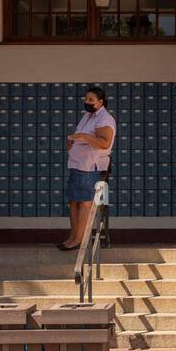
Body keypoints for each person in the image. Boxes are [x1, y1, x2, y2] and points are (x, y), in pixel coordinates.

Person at [58, 86, 115, 250]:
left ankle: (80, 240)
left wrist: (82, 137)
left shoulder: (104, 119)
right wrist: (72, 143)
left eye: (91, 99)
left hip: (90, 167)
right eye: (85, 99)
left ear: (100, 102)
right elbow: (80, 137)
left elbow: (104, 143)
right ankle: (72, 238)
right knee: (73, 203)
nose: (87, 102)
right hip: (77, 165)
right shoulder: (87, 116)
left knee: (84, 203)